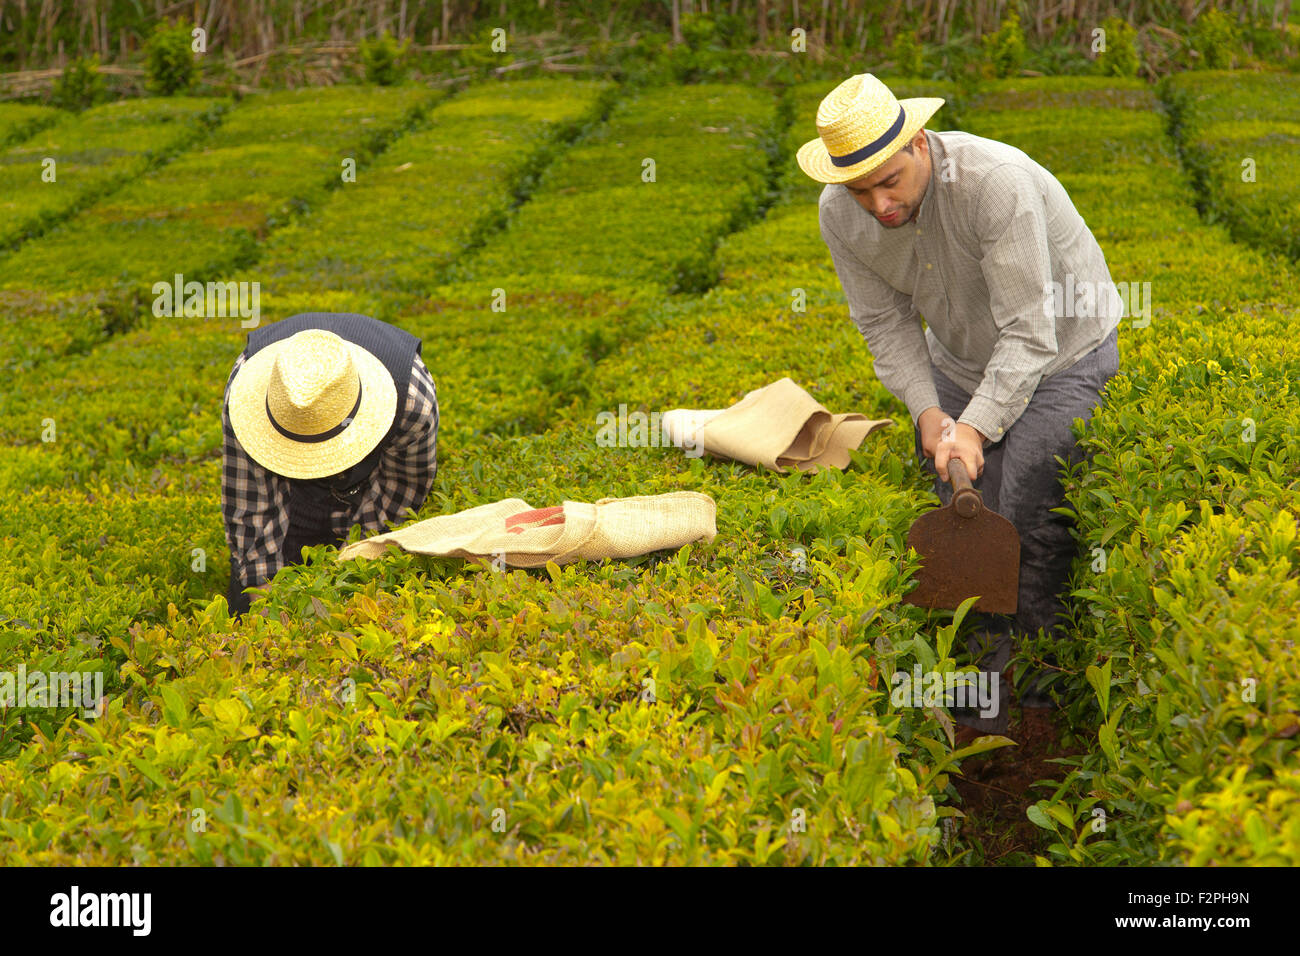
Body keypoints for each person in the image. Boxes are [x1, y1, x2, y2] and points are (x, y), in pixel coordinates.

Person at [798, 74, 1122, 734]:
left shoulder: (993, 183)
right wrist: (930, 414)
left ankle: (1037, 704)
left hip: (1062, 355)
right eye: (860, 189)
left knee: (1024, 516)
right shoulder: (840, 213)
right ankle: (975, 696)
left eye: (889, 181)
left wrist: (975, 425)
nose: (879, 204)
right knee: (957, 518)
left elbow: (1032, 332)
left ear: (919, 143)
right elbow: (885, 324)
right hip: (958, 362)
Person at [221, 312, 439, 618]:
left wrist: (356, 568)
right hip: (291, 498)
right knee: (247, 605)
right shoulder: (246, 398)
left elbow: (400, 490)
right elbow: (252, 509)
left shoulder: (412, 400)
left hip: (368, 483)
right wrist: (265, 600)